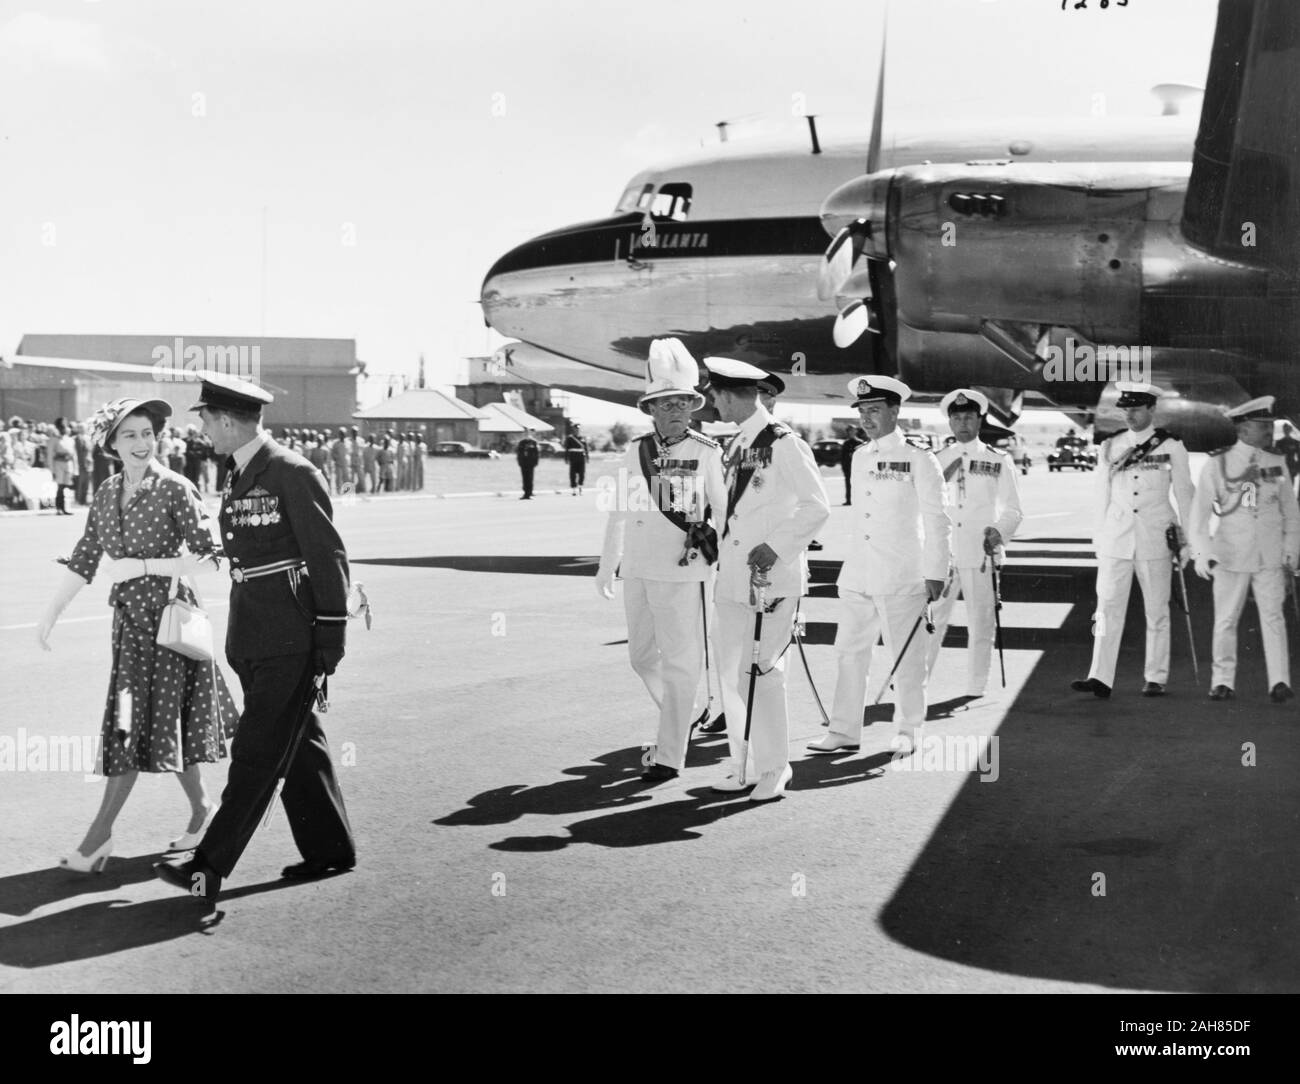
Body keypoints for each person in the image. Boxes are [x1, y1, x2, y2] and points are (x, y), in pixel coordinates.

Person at [155, 373, 356, 904]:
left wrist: (330, 635)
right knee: (298, 741)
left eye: (204, 418)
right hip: (255, 630)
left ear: (225, 420)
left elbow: (327, 554)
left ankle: (207, 867)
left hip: (291, 635)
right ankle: (330, 848)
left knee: (257, 752)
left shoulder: (290, 471)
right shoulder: (239, 470)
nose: (201, 429)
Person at [37, 396, 238, 873]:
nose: (143, 443)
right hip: (129, 629)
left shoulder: (175, 488)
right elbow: (86, 556)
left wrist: (143, 566)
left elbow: (214, 556)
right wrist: (51, 613)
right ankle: (202, 810)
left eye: (148, 433)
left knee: (131, 726)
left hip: (170, 629)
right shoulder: (106, 493)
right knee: (161, 725)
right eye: (130, 434)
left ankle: (96, 839)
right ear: (111, 443)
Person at [596, 339, 727, 781]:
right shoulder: (635, 452)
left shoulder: (707, 452)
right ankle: (683, 711)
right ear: (650, 409)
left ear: (693, 407)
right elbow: (619, 508)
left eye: (682, 403)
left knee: (681, 661)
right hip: (637, 566)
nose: (674, 411)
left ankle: (671, 752)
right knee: (641, 658)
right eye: (665, 404)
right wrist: (606, 562)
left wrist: (726, 560)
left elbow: (725, 513)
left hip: (682, 569)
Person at [704, 356, 829, 801]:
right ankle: (749, 766)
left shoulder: (785, 444)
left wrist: (776, 547)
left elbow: (818, 506)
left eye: (714, 394)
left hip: (769, 579)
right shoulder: (737, 444)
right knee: (738, 677)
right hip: (735, 579)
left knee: (763, 672)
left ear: (733, 394)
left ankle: (776, 769)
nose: (711, 402)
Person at [808, 376, 949, 757]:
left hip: (901, 573)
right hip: (859, 573)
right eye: (862, 411)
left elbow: (937, 519)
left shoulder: (919, 458)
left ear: (894, 411)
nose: (867, 419)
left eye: (874, 410)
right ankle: (843, 731)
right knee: (849, 652)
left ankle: (908, 731)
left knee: (906, 658)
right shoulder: (859, 455)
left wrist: (937, 571)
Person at [1071, 382, 1193, 699]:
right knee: (1106, 610)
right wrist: (1099, 540)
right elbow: (1101, 497)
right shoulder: (1111, 446)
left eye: (1136, 409)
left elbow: (1185, 496)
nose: (1130, 415)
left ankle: (1155, 677)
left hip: (1155, 537)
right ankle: (1099, 676)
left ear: (1152, 409)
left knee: (1157, 611)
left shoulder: (1171, 446)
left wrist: (1189, 542)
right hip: (1116, 539)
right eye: (1126, 409)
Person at [1190, 397, 1300, 702]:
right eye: (1262, 426)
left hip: (1269, 554)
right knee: (1226, 620)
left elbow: (1291, 513)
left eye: (1270, 425)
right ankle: (1222, 682)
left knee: (1274, 617)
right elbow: (1198, 515)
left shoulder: (1276, 462)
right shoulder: (1218, 463)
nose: (1270, 431)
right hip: (1231, 554)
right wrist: (1202, 552)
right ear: (1243, 429)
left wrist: (1292, 549)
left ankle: (1279, 681)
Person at [924, 389, 1023, 698]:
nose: (962, 423)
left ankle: (975, 685)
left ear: (980, 419)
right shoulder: (936, 461)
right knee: (932, 621)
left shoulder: (997, 460)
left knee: (981, 622)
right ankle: (916, 682)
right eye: (956, 418)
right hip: (944, 553)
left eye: (968, 417)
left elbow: (1013, 509)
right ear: (949, 422)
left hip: (981, 552)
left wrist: (998, 530)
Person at [47, 417, 78, 515]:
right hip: (58, 464)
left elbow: (74, 455)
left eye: (64, 427)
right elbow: (50, 455)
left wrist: (75, 469)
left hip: (68, 464)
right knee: (60, 486)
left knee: (65, 486)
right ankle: (59, 508)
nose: (63, 429)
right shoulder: (54, 439)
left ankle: (64, 508)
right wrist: (52, 470)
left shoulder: (70, 440)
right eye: (61, 427)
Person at [840, 426, 865, 505]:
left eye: (853, 431)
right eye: (849, 431)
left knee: (859, 484)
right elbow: (843, 457)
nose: (851, 432)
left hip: (858, 468)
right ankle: (848, 500)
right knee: (848, 484)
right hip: (848, 467)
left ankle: (860, 500)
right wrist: (844, 467)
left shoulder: (860, 443)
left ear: (855, 432)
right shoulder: (846, 443)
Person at [565, 423, 589, 495]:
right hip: (573, 458)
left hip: (581, 458)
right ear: (574, 429)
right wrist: (566, 458)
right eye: (576, 429)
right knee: (573, 474)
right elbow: (567, 449)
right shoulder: (570, 438)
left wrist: (587, 457)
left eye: (578, 429)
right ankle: (574, 490)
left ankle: (580, 487)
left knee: (582, 474)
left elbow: (586, 449)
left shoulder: (583, 438)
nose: (577, 430)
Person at [517, 428, 540, 499]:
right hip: (523, 463)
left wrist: (536, 462)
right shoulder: (521, 442)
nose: (527, 435)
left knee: (530, 478)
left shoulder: (534, 442)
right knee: (524, 478)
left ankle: (529, 493)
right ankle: (525, 492)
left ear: (531, 434)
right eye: (525, 433)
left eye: (528, 433)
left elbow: (537, 453)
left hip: (531, 463)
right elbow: (519, 453)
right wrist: (519, 462)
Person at [73, 422, 92, 505]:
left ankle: (84, 500)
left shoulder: (89, 438)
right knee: (79, 483)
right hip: (80, 463)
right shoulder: (75, 438)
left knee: (86, 483)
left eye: (83, 428)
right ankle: (79, 500)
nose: (82, 429)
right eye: (80, 428)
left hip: (89, 463)